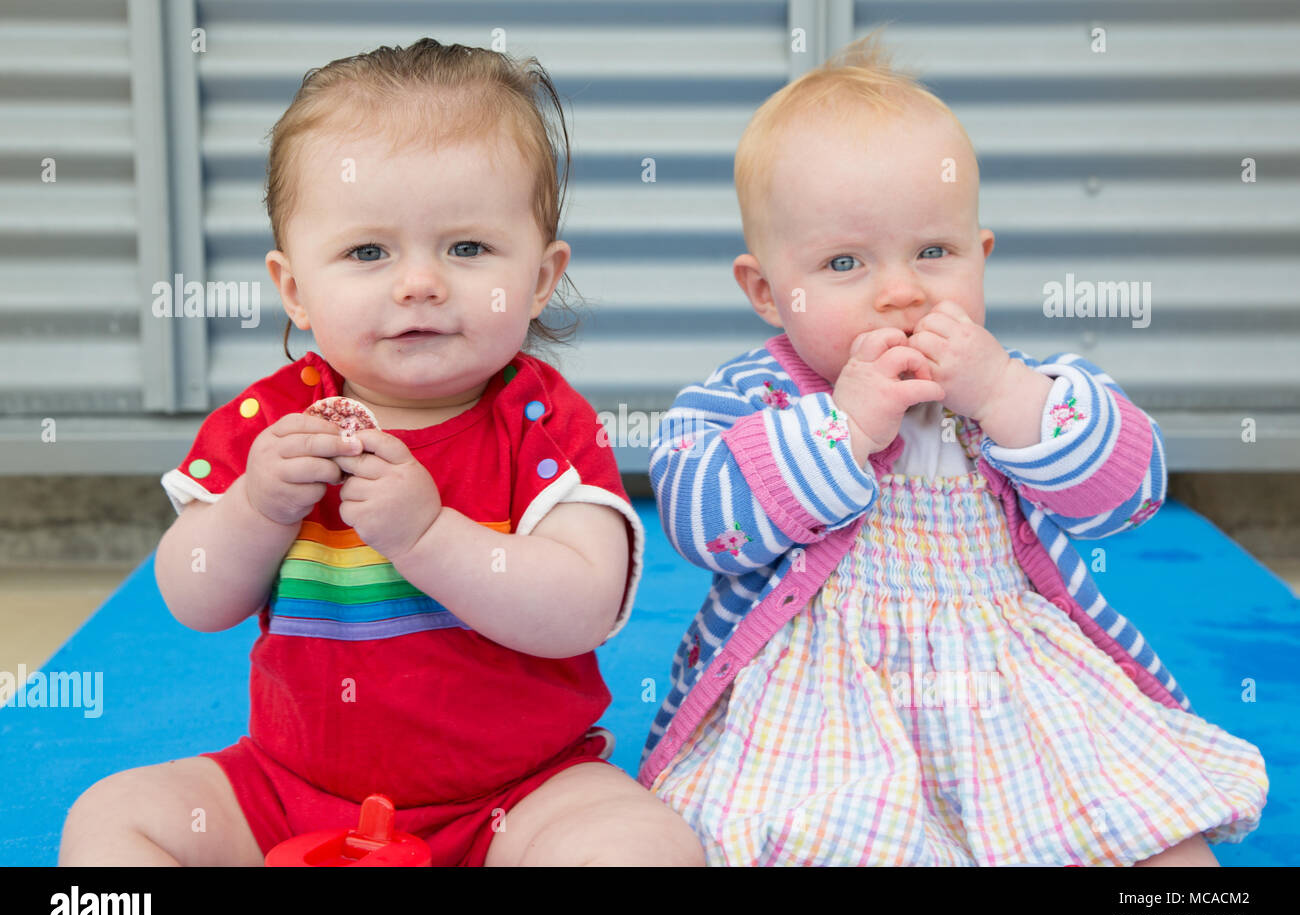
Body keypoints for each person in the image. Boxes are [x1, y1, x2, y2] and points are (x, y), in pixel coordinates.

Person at [59, 38, 704, 867]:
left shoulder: (543, 424)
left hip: (517, 795)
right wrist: (254, 512)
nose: (419, 283)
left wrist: (427, 536)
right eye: (369, 252)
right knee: (112, 818)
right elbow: (194, 599)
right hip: (290, 789)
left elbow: (582, 607)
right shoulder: (270, 425)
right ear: (294, 287)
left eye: (467, 248)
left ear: (541, 277)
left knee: (644, 846)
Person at [636, 33, 1268, 866]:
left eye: (934, 252)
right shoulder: (753, 398)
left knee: (1147, 836)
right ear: (765, 291)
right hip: (826, 709)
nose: (900, 289)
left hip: (1015, 696)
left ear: (982, 256)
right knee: (824, 839)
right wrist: (846, 429)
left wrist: (1006, 394)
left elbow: (1131, 490)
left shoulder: (1013, 385)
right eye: (844, 263)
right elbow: (700, 519)